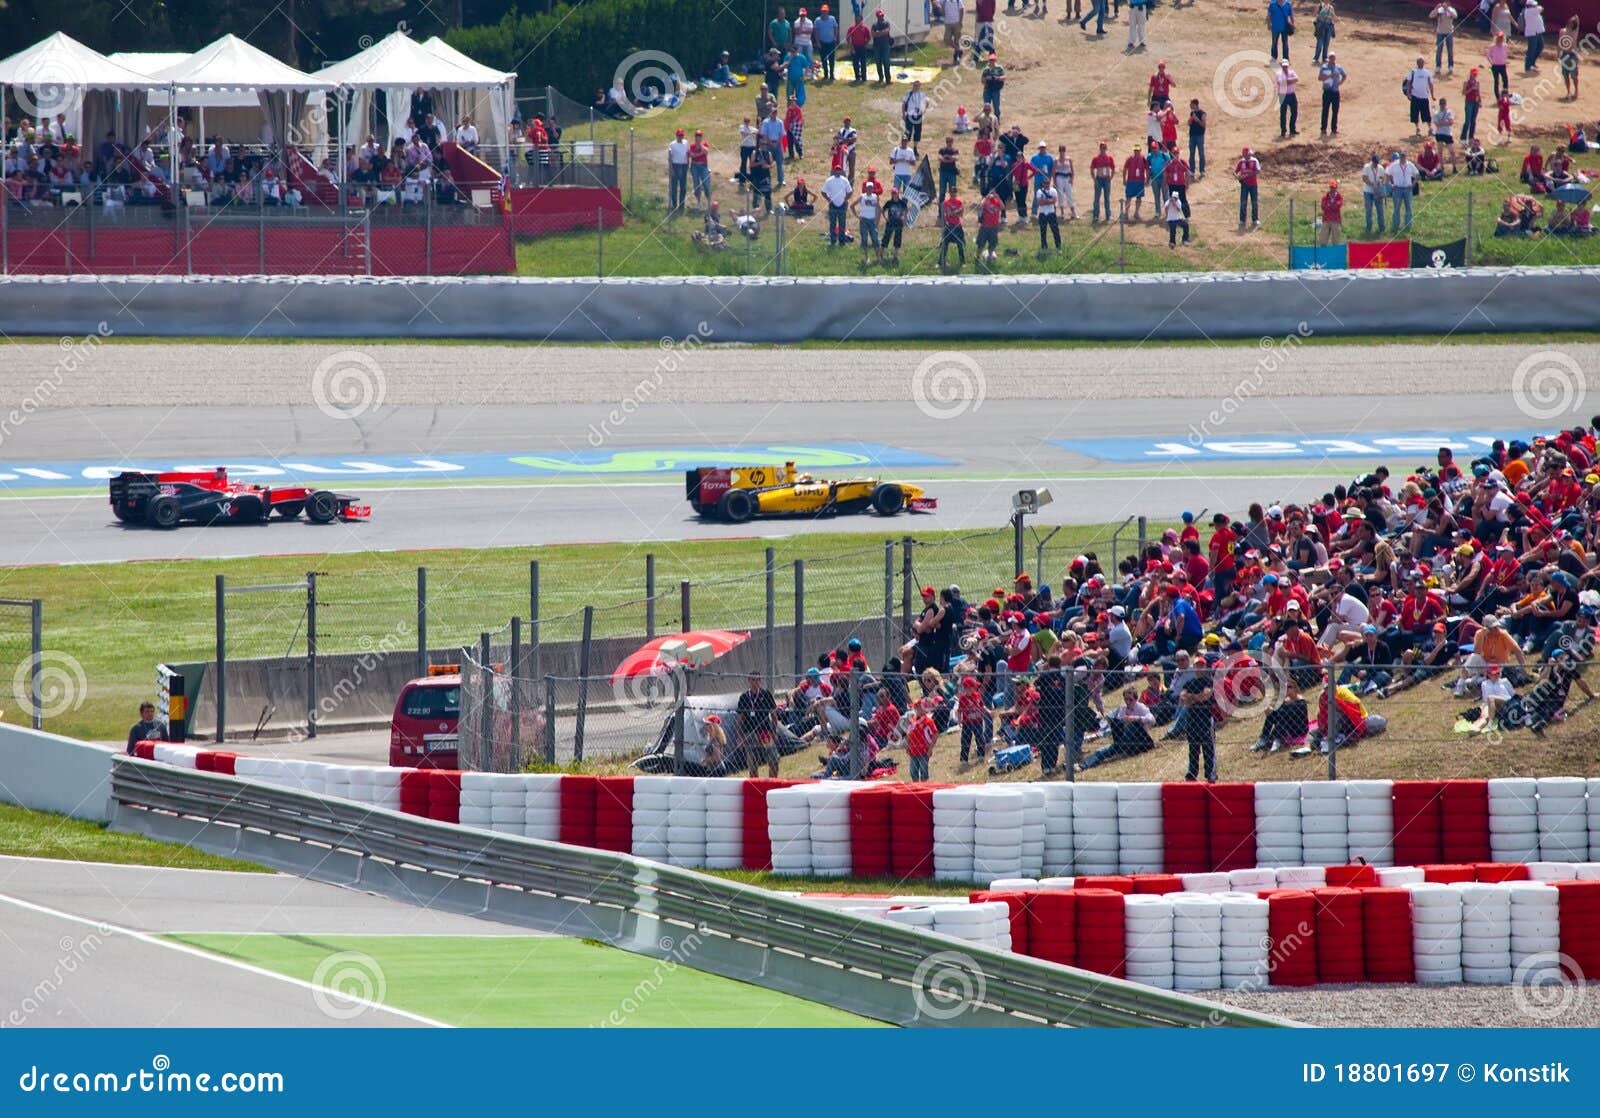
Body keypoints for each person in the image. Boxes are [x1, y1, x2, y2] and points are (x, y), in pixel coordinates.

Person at [1179, 658, 1217, 782]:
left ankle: (1210, 773)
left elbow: (1205, 696)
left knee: (1208, 747)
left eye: (1202, 665)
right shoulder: (1189, 682)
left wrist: (1191, 698)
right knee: (1193, 748)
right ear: (1194, 667)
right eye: (1197, 665)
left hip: (1205, 717)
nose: (1199, 668)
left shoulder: (1209, 681)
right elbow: (1182, 698)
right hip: (1192, 718)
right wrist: (1196, 697)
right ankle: (1192, 773)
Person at [737, 672, 780, 777]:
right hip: (750, 734)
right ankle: (756, 787)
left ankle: (772, 783)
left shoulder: (766, 695)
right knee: (752, 765)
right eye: (752, 680)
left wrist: (774, 732)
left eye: (757, 680)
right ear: (748, 681)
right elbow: (740, 719)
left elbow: (774, 715)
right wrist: (740, 737)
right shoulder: (744, 697)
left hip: (765, 733)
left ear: (760, 681)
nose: (755, 683)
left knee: (774, 760)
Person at [1386, 149, 1419, 231]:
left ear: (1406, 156)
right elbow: (1387, 174)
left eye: (1404, 155)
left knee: (1408, 208)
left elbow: (1417, 174)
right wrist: (1391, 184)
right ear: (1399, 156)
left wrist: (1413, 184)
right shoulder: (1394, 165)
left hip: (1408, 188)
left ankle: (1408, 226)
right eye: (1401, 156)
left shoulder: (1410, 165)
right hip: (1397, 188)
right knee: (1396, 208)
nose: (1402, 157)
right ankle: (1395, 226)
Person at [905, 705, 937, 781]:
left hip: (924, 751)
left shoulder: (928, 721)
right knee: (913, 771)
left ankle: (924, 786)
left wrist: (930, 749)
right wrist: (907, 746)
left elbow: (935, 734)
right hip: (913, 751)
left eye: (920, 707)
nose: (918, 709)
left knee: (924, 771)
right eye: (916, 708)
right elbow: (908, 734)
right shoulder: (912, 720)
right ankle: (916, 786)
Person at [821, 166, 852, 244]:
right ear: (834, 171)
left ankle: (842, 241)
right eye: (836, 170)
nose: (838, 171)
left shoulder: (845, 180)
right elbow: (823, 192)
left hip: (842, 205)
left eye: (839, 170)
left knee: (842, 224)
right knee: (832, 224)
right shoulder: (829, 180)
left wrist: (845, 199)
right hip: (832, 205)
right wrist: (829, 200)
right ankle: (833, 241)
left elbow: (850, 191)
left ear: (841, 171)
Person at [1406, 56, 1435, 138]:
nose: (1420, 63)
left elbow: (1430, 84)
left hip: (1424, 96)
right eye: (1419, 62)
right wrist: (1408, 93)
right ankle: (1417, 128)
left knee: (1426, 114)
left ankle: (1430, 129)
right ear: (1417, 63)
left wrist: (1432, 95)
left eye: (1422, 62)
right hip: (1415, 96)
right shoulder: (1413, 71)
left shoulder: (1427, 72)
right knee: (1415, 114)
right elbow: (1408, 83)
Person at [1318, 52, 1346, 137]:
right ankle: (1323, 129)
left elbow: (1344, 75)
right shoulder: (1324, 67)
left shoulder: (1338, 67)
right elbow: (1320, 78)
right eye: (1331, 57)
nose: (1332, 59)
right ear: (1328, 58)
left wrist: (1340, 83)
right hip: (1327, 91)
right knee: (1325, 110)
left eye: (1333, 57)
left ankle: (1334, 129)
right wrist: (1329, 76)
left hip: (1335, 91)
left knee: (1335, 111)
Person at [854, 175, 881, 258]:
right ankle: (866, 257)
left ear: (873, 188)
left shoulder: (875, 197)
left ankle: (878, 257)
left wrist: (877, 220)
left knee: (875, 239)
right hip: (864, 220)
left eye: (871, 187)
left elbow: (879, 209)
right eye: (868, 187)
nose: (869, 189)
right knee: (864, 239)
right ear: (865, 188)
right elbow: (852, 205)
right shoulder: (862, 196)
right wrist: (857, 216)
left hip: (872, 220)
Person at [976, 188, 1004, 263]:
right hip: (984, 226)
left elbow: (1003, 207)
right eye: (991, 192)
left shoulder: (997, 201)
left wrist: (998, 197)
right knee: (981, 244)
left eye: (993, 192)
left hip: (994, 227)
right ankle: (978, 257)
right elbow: (980, 206)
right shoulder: (985, 201)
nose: (992, 194)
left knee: (992, 244)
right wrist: (986, 197)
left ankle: (990, 257)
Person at [1090, 140, 1116, 223]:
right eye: (1102, 148)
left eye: (1104, 148)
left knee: (1107, 198)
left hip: (1106, 179)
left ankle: (1108, 215)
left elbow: (1113, 168)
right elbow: (1092, 169)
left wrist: (1111, 177)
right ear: (1100, 149)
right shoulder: (1096, 158)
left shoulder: (1109, 158)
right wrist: (1094, 179)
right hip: (1099, 179)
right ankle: (1096, 215)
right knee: (1097, 198)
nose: (1103, 149)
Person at [1235, 145, 1261, 228]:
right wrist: (1238, 177)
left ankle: (1255, 219)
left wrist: (1247, 175)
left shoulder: (1254, 161)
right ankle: (1242, 220)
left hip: (1253, 184)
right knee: (1243, 202)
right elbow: (1235, 171)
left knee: (1254, 202)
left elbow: (1258, 171)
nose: (1248, 155)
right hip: (1244, 184)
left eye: (1248, 154)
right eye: (1246, 154)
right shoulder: (1241, 162)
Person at [666, 128, 690, 211]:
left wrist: (688, 164)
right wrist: (671, 168)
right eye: (679, 135)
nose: (680, 137)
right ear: (676, 136)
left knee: (683, 187)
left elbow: (687, 154)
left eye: (682, 135)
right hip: (675, 165)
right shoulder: (672, 144)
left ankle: (682, 204)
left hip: (683, 165)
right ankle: (674, 203)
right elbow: (670, 157)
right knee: (674, 186)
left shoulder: (686, 143)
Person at [1432, 3, 1459, 74]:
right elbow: (1431, 15)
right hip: (1440, 32)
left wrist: (1447, 10)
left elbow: (1455, 16)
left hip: (1449, 33)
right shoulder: (1439, 10)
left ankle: (1450, 66)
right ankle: (1438, 66)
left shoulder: (1452, 10)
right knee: (1439, 50)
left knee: (1450, 50)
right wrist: (1436, 8)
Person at [1275, 59, 1300, 138]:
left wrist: (1286, 82)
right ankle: (1283, 131)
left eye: (1286, 66)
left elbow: (1296, 79)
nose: (1285, 67)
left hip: (1291, 94)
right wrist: (1290, 81)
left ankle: (1292, 129)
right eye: (1283, 66)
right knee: (1283, 114)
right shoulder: (1278, 74)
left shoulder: (1291, 72)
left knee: (1294, 112)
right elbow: (1280, 83)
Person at [1053, 144, 1078, 220]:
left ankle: (1073, 213)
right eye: (1060, 150)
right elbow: (1053, 172)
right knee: (1060, 196)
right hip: (1059, 178)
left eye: (1063, 150)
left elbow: (1072, 170)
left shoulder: (1068, 159)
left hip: (1067, 178)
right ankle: (1062, 213)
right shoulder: (1056, 160)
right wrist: (1054, 182)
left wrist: (1072, 179)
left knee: (1069, 195)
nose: (1062, 152)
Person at [881, 186, 907, 260]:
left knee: (897, 239)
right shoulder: (889, 203)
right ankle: (881, 254)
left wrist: (904, 218)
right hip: (890, 222)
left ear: (898, 193)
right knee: (886, 238)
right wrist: (885, 218)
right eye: (893, 193)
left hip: (899, 223)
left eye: (895, 193)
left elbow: (906, 209)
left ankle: (895, 256)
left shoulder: (902, 202)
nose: (894, 194)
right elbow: (883, 210)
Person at [1520, 0, 1545, 74]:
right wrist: (1536, 7)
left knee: (1540, 46)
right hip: (1532, 33)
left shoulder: (1533, 10)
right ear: (1529, 6)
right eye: (1534, 5)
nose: (1535, 6)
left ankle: (1532, 62)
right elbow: (1541, 8)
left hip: (1537, 32)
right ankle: (1527, 66)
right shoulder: (1530, 11)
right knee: (1531, 50)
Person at [1433, 97, 1458, 171]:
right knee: (1440, 151)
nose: (1443, 105)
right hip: (1439, 133)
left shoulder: (1449, 112)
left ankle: (1454, 167)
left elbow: (1451, 122)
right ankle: (1442, 166)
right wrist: (1445, 122)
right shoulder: (1436, 113)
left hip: (1447, 133)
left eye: (1444, 103)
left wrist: (1442, 122)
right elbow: (1437, 124)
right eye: (1441, 104)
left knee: (1452, 151)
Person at [1559, 14, 1580, 99]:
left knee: (1574, 75)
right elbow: (1559, 43)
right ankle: (1568, 92)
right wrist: (1558, 53)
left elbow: (1578, 20)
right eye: (1569, 22)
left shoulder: (1575, 31)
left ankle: (1576, 91)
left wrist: (1575, 17)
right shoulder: (1562, 31)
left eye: (1572, 23)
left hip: (1572, 55)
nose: (1570, 24)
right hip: (1564, 54)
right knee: (1565, 74)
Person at [815, 5, 839, 79]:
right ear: (821, 11)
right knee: (824, 59)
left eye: (825, 11)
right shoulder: (817, 20)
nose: (824, 12)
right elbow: (816, 32)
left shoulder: (832, 19)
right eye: (823, 11)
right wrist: (818, 42)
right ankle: (825, 74)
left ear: (828, 11)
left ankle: (831, 74)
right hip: (822, 42)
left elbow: (836, 27)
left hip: (831, 42)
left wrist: (835, 37)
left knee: (832, 59)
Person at [846, 14, 873, 82]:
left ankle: (864, 77)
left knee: (863, 62)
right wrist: (851, 47)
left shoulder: (865, 28)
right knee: (855, 62)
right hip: (854, 46)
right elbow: (848, 37)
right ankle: (857, 77)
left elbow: (869, 37)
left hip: (862, 47)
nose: (857, 21)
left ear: (861, 20)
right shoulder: (852, 28)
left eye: (859, 19)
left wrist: (865, 44)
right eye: (856, 19)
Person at [901, 80, 927, 150]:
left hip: (918, 116)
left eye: (917, 86)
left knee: (918, 132)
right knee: (908, 132)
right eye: (915, 85)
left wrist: (924, 111)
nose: (916, 87)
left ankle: (915, 148)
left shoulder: (922, 94)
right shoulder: (908, 93)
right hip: (910, 115)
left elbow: (926, 103)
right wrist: (903, 114)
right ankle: (905, 146)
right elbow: (903, 104)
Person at [871, 8, 894, 85]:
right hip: (877, 46)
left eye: (882, 15)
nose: (881, 17)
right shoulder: (874, 25)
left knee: (886, 62)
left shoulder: (887, 23)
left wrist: (878, 33)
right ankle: (880, 78)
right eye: (880, 16)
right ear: (877, 16)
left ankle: (888, 79)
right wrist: (881, 33)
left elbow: (887, 31)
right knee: (878, 62)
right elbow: (873, 34)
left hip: (885, 46)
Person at [982, 54, 1006, 120]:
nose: (991, 61)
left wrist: (997, 78)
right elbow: (982, 81)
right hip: (987, 89)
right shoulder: (986, 69)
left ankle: (997, 120)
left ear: (995, 60)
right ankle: (986, 120)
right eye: (990, 60)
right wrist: (987, 78)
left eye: (993, 60)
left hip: (996, 89)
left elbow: (1004, 77)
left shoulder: (999, 68)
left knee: (996, 105)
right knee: (986, 106)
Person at [942, 0, 967, 65]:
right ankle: (958, 50)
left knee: (957, 41)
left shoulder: (958, 1)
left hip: (957, 23)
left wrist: (960, 21)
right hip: (948, 23)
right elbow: (937, 4)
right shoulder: (944, 1)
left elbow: (962, 10)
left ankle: (956, 58)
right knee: (946, 39)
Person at [1187, 99, 1207, 177]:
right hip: (1192, 135)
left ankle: (1202, 170)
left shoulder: (1203, 113)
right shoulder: (1192, 113)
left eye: (1191, 104)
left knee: (1201, 153)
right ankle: (1192, 170)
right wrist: (1191, 119)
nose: (1190, 105)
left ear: (1195, 104)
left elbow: (1204, 125)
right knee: (1192, 153)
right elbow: (1189, 123)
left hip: (1199, 136)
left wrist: (1197, 120)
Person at [937, 134, 959, 202]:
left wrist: (947, 158)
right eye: (948, 141)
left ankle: (952, 203)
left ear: (952, 142)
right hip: (943, 172)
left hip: (951, 173)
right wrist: (950, 159)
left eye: (950, 141)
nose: (949, 143)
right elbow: (940, 158)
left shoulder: (955, 150)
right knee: (942, 190)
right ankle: (941, 206)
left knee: (952, 190)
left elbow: (956, 158)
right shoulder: (942, 150)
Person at [1488, 31, 1510, 98]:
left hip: (1502, 65)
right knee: (1496, 81)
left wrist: (1505, 60)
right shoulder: (1493, 46)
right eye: (1499, 37)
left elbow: (1505, 54)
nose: (1500, 39)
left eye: (1501, 37)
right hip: (1495, 66)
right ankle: (1497, 96)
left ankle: (1505, 93)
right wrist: (1492, 62)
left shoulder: (1505, 46)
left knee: (1505, 79)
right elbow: (1488, 56)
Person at [1462, 67, 1482, 140]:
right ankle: (1463, 137)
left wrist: (1480, 101)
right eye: (1473, 74)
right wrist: (1471, 89)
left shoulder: (1477, 82)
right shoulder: (1466, 82)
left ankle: (1471, 137)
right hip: (1469, 102)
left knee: (1473, 121)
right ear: (1470, 74)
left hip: (1475, 102)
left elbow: (1478, 92)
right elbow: (1464, 92)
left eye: (1475, 74)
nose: (1474, 75)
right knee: (1467, 121)